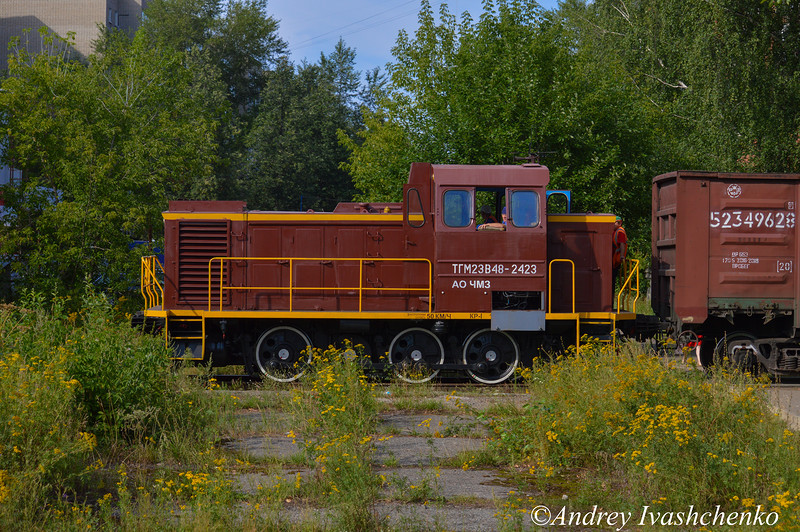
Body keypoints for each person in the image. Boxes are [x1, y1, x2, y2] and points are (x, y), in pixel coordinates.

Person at [612, 215, 628, 294]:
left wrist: (622, 256)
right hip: (614, 259)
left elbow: (622, 244)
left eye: (613, 223)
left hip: (616, 259)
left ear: (619, 223)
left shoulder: (620, 231)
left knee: (612, 279)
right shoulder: (615, 231)